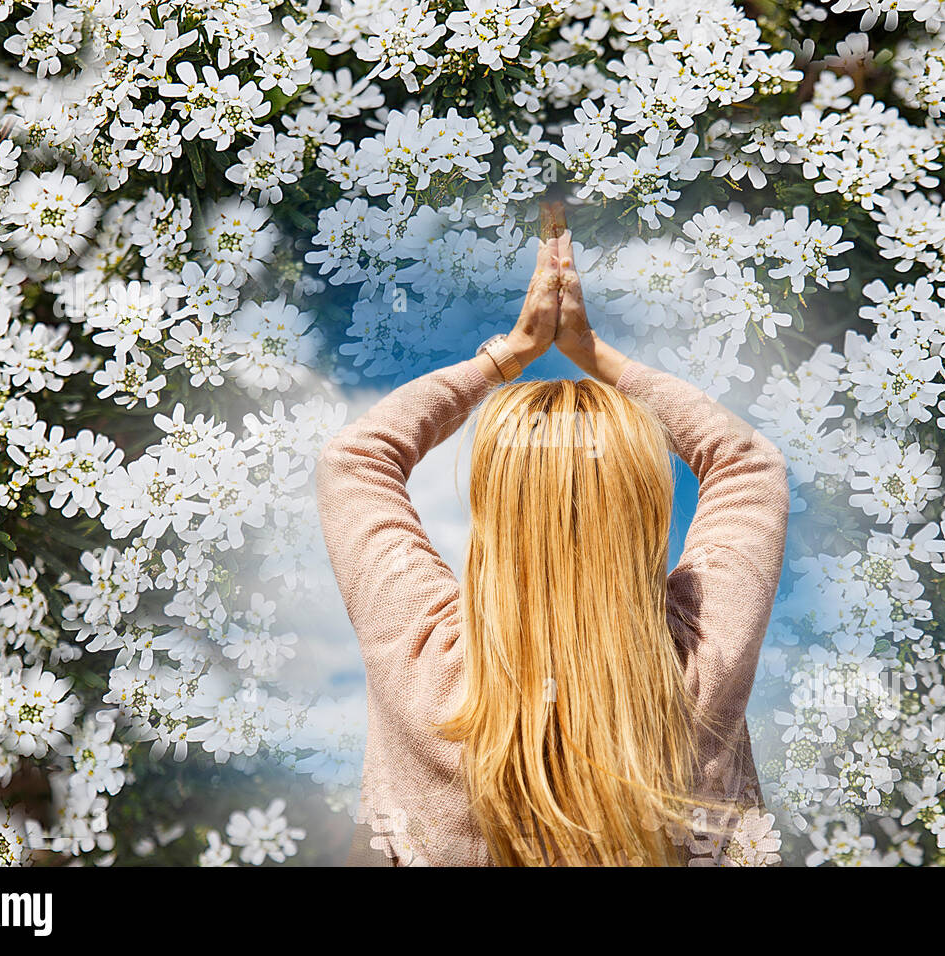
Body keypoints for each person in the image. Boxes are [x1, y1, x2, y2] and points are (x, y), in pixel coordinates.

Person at [316, 230, 790, 866]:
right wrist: (594, 355)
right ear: (645, 511)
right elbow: (747, 463)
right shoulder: (699, 657)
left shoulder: (427, 657)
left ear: (492, 513)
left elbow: (354, 458)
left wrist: (507, 356)